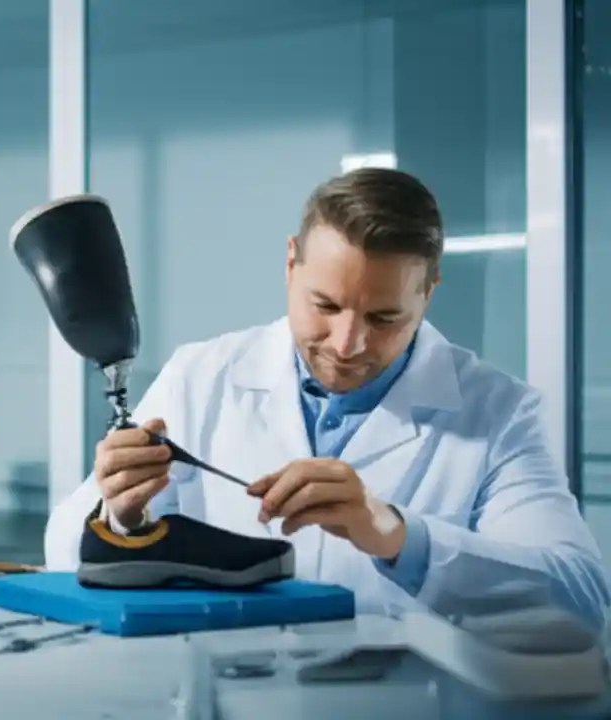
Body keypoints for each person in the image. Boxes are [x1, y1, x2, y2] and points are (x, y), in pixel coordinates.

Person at [46, 168, 611, 631]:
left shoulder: (498, 412)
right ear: (290, 264)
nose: (347, 344)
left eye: (384, 318)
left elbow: (582, 601)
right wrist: (121, 518)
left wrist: (396, 535)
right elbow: (62, 554)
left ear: (429, 291)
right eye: (326, 306)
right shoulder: (201, 376)